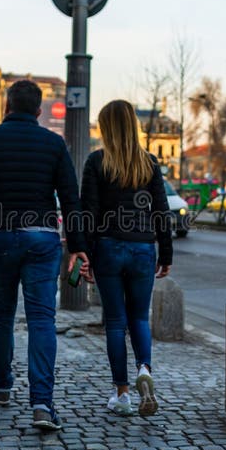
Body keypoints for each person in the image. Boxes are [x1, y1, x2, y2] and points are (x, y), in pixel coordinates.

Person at [0, 79, 88, 432]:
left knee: (1, 315)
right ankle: (42, 403)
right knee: (42, 319)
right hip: (42, 238)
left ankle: (1, 384)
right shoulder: (54, 143)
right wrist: (77, 246)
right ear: (40, 111)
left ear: (6, 107)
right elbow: (71, 200)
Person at [80, 99, 173, 417]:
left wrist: (86, 255)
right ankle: (144, 369)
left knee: (116, 323)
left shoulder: (96, 162)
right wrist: (166, 253)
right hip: (143, 247)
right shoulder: (149, 163)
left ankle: (122, 394)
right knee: (139, 318)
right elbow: (161, 211)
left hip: (108, 247)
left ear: (105, 128)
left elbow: (88, 213)